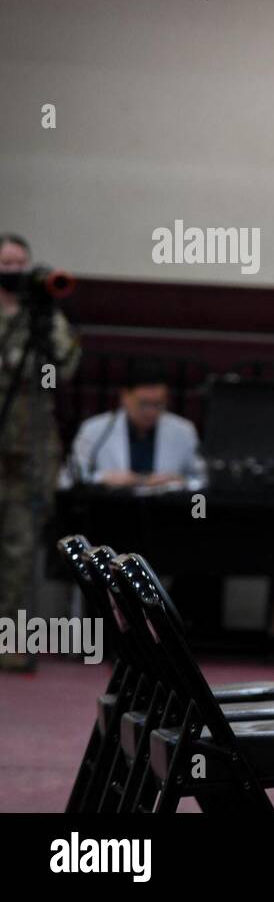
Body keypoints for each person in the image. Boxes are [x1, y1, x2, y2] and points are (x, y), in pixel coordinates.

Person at [0, 233, 80, 673]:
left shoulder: (44, 317)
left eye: (20, 262)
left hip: (29, 448)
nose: (14, 270)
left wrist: (45, 331)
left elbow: (59, 374)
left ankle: (9, 636)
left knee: (20, 544)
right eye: (6, 262)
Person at [66, 359, 205, 489]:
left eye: (158, 404)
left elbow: (203, 479)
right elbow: (68, 479)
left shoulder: (183, 431)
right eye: (144, 404)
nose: (151, 412)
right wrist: (102, 479)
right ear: (125, 397)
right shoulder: (95, 429)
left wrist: (179, 482)